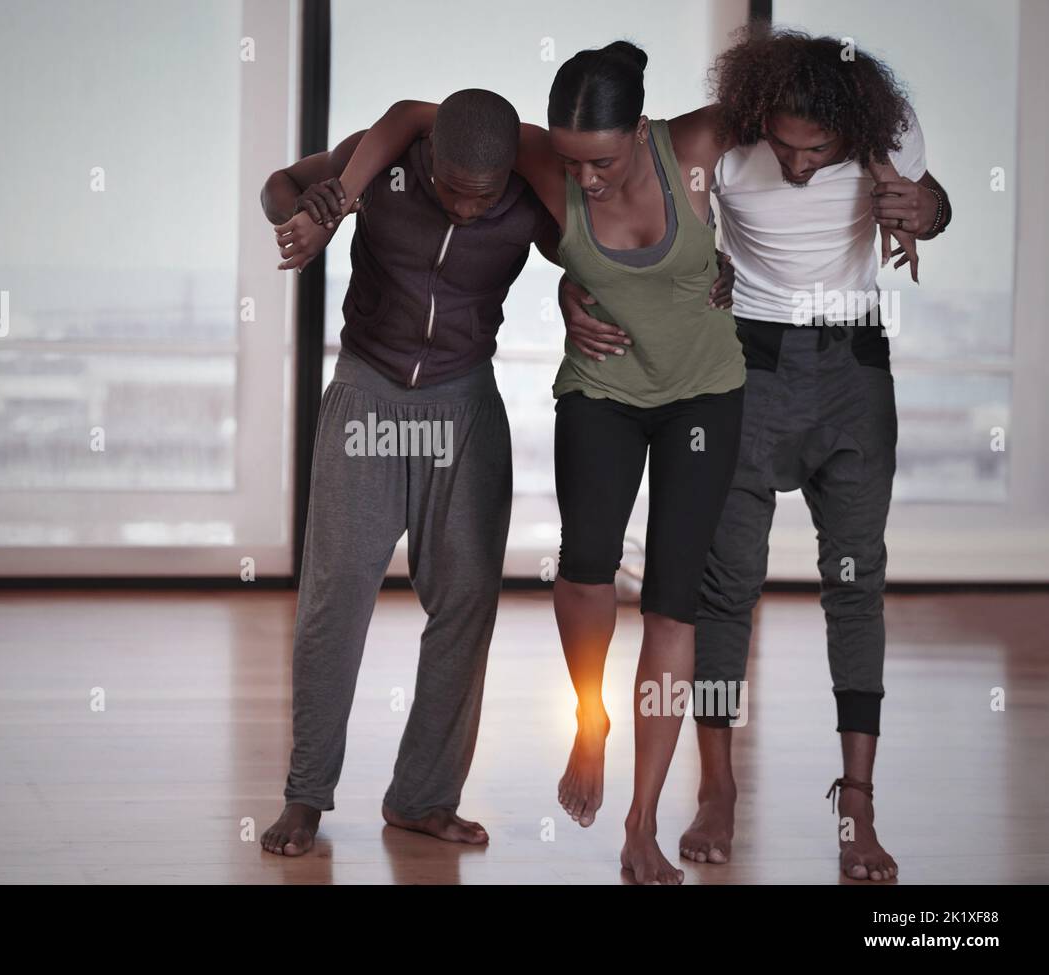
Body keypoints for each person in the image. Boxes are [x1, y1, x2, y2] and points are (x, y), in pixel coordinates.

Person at [318, 40, 752, 884]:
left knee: (672, 606)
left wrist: (893, 191)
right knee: (586, 565)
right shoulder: (544, 157)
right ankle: (590, 718)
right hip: (601, 391)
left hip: (704, 395)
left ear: (639, 129)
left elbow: (804, 106)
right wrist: (340, 195)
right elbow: (417, 114)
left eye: (600, 160)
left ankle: (641, 823)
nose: (582, 181)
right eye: (570, 160)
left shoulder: (693, 147)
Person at [562, 28, 952, 882]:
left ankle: (857, 804)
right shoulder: (729, 151)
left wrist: (930, 210)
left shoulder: (891, 134)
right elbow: (637, 216)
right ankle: (718, 786)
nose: (802, 165)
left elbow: (931, 203)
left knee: (856, 584)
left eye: (820, 152)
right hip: (750, 370)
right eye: (786, 146)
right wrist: (578, 288)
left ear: (853, 129)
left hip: (854, 371)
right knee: (724, 588)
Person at [258, 89, 560, 857]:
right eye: (451, 189)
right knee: (336, 597)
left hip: (463, 401)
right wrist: (307, 211)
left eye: (481, 197)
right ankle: (305, 795)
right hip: (370, 387)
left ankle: (423, 796)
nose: (465, 209)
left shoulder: (529, 193)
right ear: (426, 156)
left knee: (465, 600)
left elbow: (608, 252)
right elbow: (279, 184)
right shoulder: (382, 156)